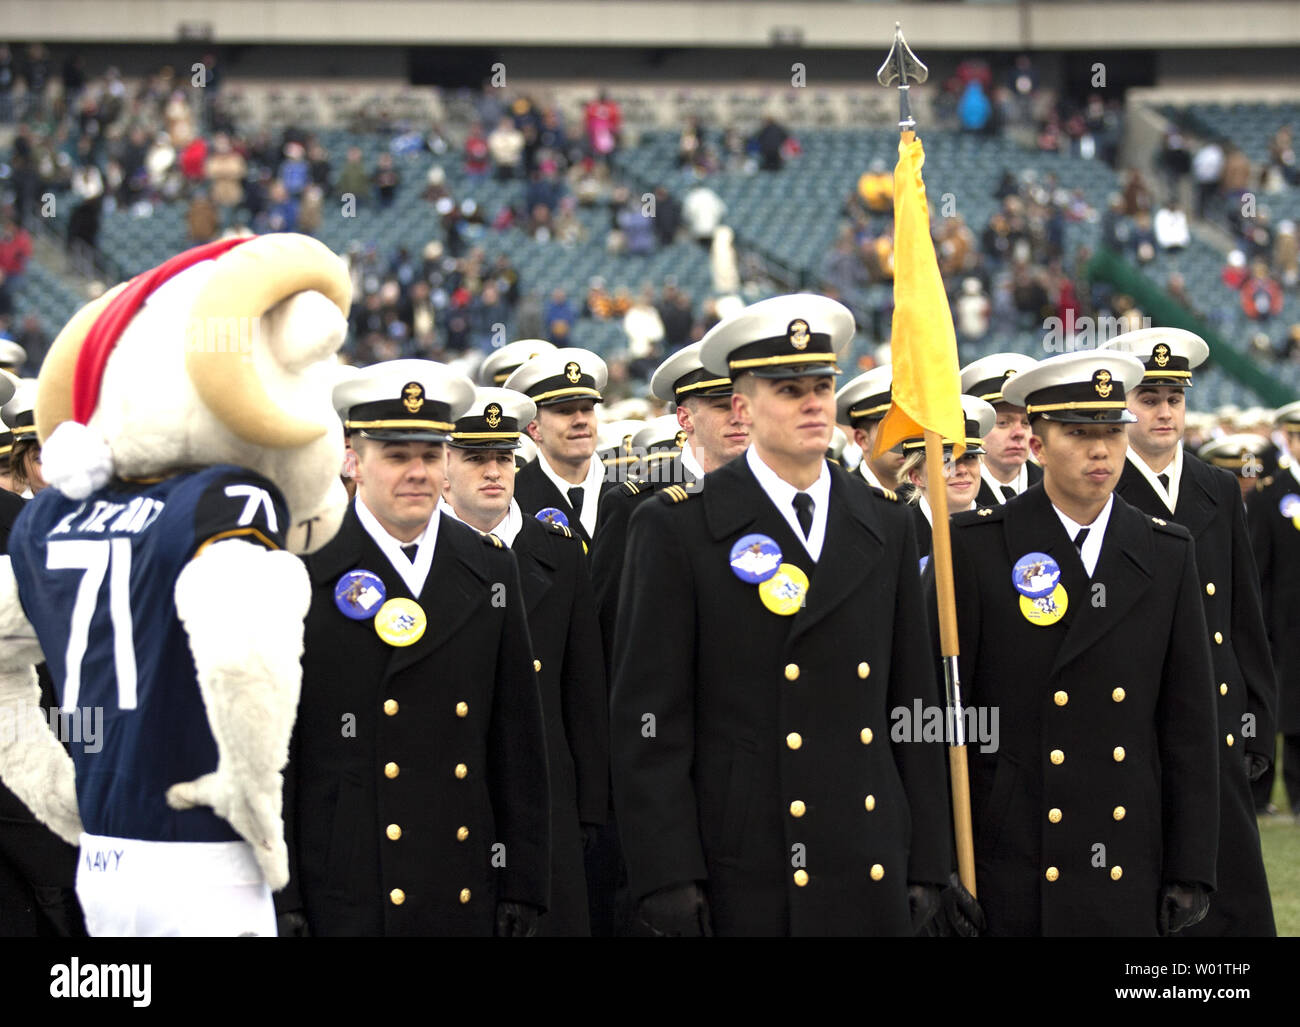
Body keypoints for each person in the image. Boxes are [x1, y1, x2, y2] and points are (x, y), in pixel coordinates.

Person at [611, 294, 952, 936]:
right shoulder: (678, 528)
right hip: (746, 858)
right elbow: (649, 719)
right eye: (790, 389)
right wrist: (666, 872)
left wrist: (928, 859)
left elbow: (914, 707)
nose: (814, 403)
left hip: (866, 850)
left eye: (822, 386)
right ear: (742, 407)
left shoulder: (886, 523)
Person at [931, 350, 1219, 936]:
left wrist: (1191, 866)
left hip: (1124, 844)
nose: (1101, 450)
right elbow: (943, 714)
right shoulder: (976, 546)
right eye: (1079, 434)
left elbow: (1189, 722)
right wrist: (939, 859)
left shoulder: (1166, 551)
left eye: (1113, 433)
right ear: (1036, 447)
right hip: (1011, 845)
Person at [279, 360, 550, 937]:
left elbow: (517, 739)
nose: (417, 472)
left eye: (430, 455)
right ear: (353, 458)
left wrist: (524, 881)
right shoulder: (305, 567)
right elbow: (283, 749)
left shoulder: (489, 567)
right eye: (397, 455)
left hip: (461, 874)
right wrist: (285, 896)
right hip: (348, 880)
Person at [1099, 327, 1275, 936]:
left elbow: (1242, 615)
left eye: (1174, 399)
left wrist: (1259, 716)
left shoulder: (1218, 488)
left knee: (1233, 897)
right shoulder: (1102, 488)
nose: (1164, 412)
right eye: (1149, 398)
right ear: (1124, 405)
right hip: (1138, 715)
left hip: (1218, 716)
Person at [440, 387, 608, 937]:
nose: (493, 471)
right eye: (476, 458)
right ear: (445, 466)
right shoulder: (424, 556)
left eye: (504, 458)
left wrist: (590, 808)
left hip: (548, 797)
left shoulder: (557, 552)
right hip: (453, 790)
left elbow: (583, 690)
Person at [1246, 399, 1300, 824]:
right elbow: (1258, 565)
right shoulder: (1270, 495)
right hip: (1281, 620)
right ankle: (1261, 791)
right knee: (1273, 703)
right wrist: (1260, 622)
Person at [506, 347, 616, 548]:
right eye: (565, 411)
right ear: (534, 428)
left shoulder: (631, 492)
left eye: (587, 409)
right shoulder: (512, 499)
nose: (580, 420)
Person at [898, 396, 995, 562]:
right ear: (916, 476)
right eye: (946, 459)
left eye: (970, 457)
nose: (962, 469)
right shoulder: (895, 535)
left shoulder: (997, 530)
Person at [960, 353, 1041, 507]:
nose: (1019, 433)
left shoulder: (1054, 487)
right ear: (977, 427)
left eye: (1026, 422)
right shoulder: (954, 489)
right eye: (1003, 423)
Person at [834, 365, 904, 492]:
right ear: (862, 439)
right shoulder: (842, 495)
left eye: (908, 429)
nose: (904, 441)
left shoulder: (930, 495)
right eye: (891, 431)